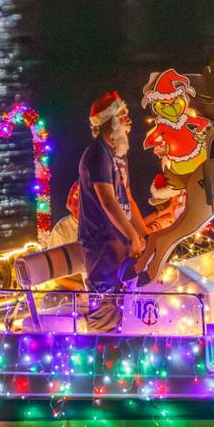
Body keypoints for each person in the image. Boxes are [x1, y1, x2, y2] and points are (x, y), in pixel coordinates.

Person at [78, 91, 148, 331]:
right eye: (123, 115)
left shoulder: (118, 153)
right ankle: (99, 353)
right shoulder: (98, 153)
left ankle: (117, 351)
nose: (129, 120)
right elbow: (108, 200)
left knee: (125, 303)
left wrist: (143, 234)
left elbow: (127, 196)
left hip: (121, 239)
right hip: (102, 241)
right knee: (105, 304)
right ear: (111, 122)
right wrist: (131, 236)